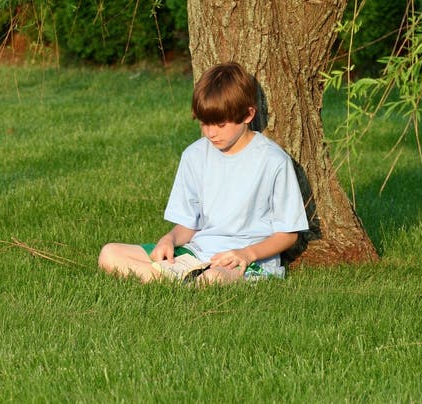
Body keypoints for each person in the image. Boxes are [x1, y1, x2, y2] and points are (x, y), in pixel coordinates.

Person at [98, 62, 309, 284]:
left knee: (213, 278)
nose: (210, 133)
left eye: (220, 124)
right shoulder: (194, 155)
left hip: (246, 260)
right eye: (204, 124)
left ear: (248, 115)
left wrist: (247, 254)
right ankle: (175, 278)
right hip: (197, 253)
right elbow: (189, 225)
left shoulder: (274, 161)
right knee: (109, 254)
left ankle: (170, 279)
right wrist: (169, 239)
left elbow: (288, 234)